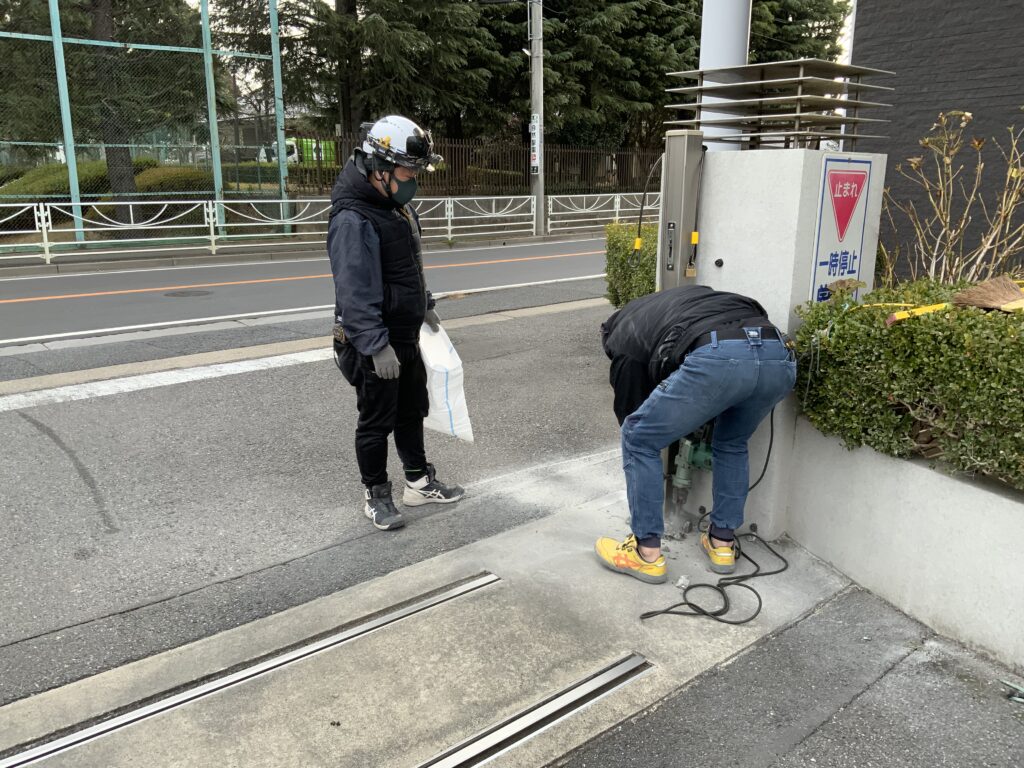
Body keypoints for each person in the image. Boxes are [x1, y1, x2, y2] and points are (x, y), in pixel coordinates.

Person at [595, 285, 797, 582]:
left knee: (638, 438)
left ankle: (645, 553)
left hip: (718, 356)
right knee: (732, 442)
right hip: (777, 355)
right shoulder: (684, 300)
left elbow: (631, 413)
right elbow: (754, 314)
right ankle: (722, 543)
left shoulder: (624, 337)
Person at [328, 115, 464, 531]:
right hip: (373, 340)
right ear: (379, 168)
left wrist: (424, 304)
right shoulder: (353, 219)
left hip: (405, 333)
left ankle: (418, 483)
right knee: (376, 420)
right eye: (408, 171)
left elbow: (410, 267)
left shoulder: (397, 206)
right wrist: (374, 344)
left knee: (410, 411)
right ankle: (376, 494)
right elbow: (354, 291)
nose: (414, 180)